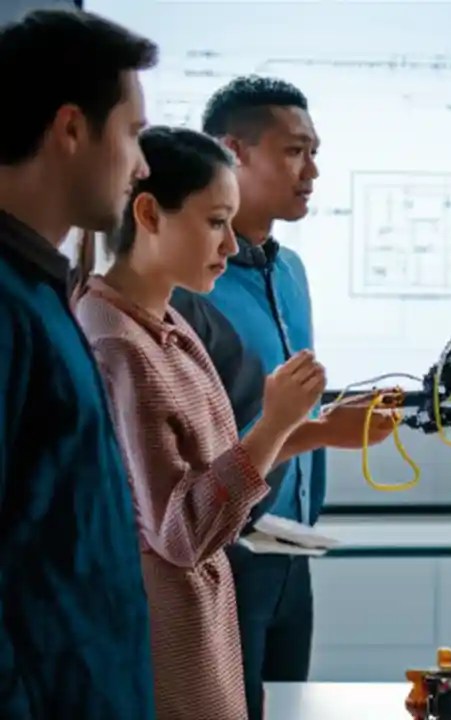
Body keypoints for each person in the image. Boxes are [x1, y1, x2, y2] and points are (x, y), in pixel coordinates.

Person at [74, 126, 330, 719]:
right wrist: (273, 424)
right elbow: (185, 533)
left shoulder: (163, 321)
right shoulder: (119, 345)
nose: (232, 247)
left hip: (200, 626)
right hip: (165, 647)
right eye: (216, 223)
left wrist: (298, 428)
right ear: (148, 213)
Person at [166, 74, 391, 720]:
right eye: (294, 151)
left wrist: (331, 426)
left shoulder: (290, 270)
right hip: (220, 556)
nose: (313, 171)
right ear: (232, 151)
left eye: (314, 150)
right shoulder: (188, 286)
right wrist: (317, 431)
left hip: (291, 552)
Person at [0, 9, 158, 717]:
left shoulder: (39, 291)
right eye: (132, 134)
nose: (142, 165)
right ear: (70, 129)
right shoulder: (7, 306)